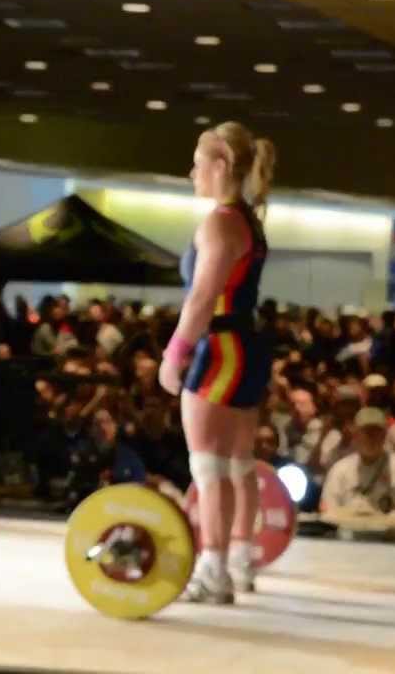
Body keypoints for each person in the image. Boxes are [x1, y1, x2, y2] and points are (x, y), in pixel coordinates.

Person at [160, 120, 276, 603]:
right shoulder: (248, 219)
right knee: (235, 465)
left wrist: (175, 354)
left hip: (223, 347)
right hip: (246, 346)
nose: (191, 172)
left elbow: (203, 296)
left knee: (208, 469)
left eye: (196, 162)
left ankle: (214, 572)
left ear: (221, 165)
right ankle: (237, 561)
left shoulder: (221, 222)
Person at [320, 407, 395, 515]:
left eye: (376, 432)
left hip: (393, 530)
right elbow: (328, 508)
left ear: (384, 435)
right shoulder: (340, 469)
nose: (371, 437)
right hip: (352, 530)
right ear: (355, 435)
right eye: (366, 432)